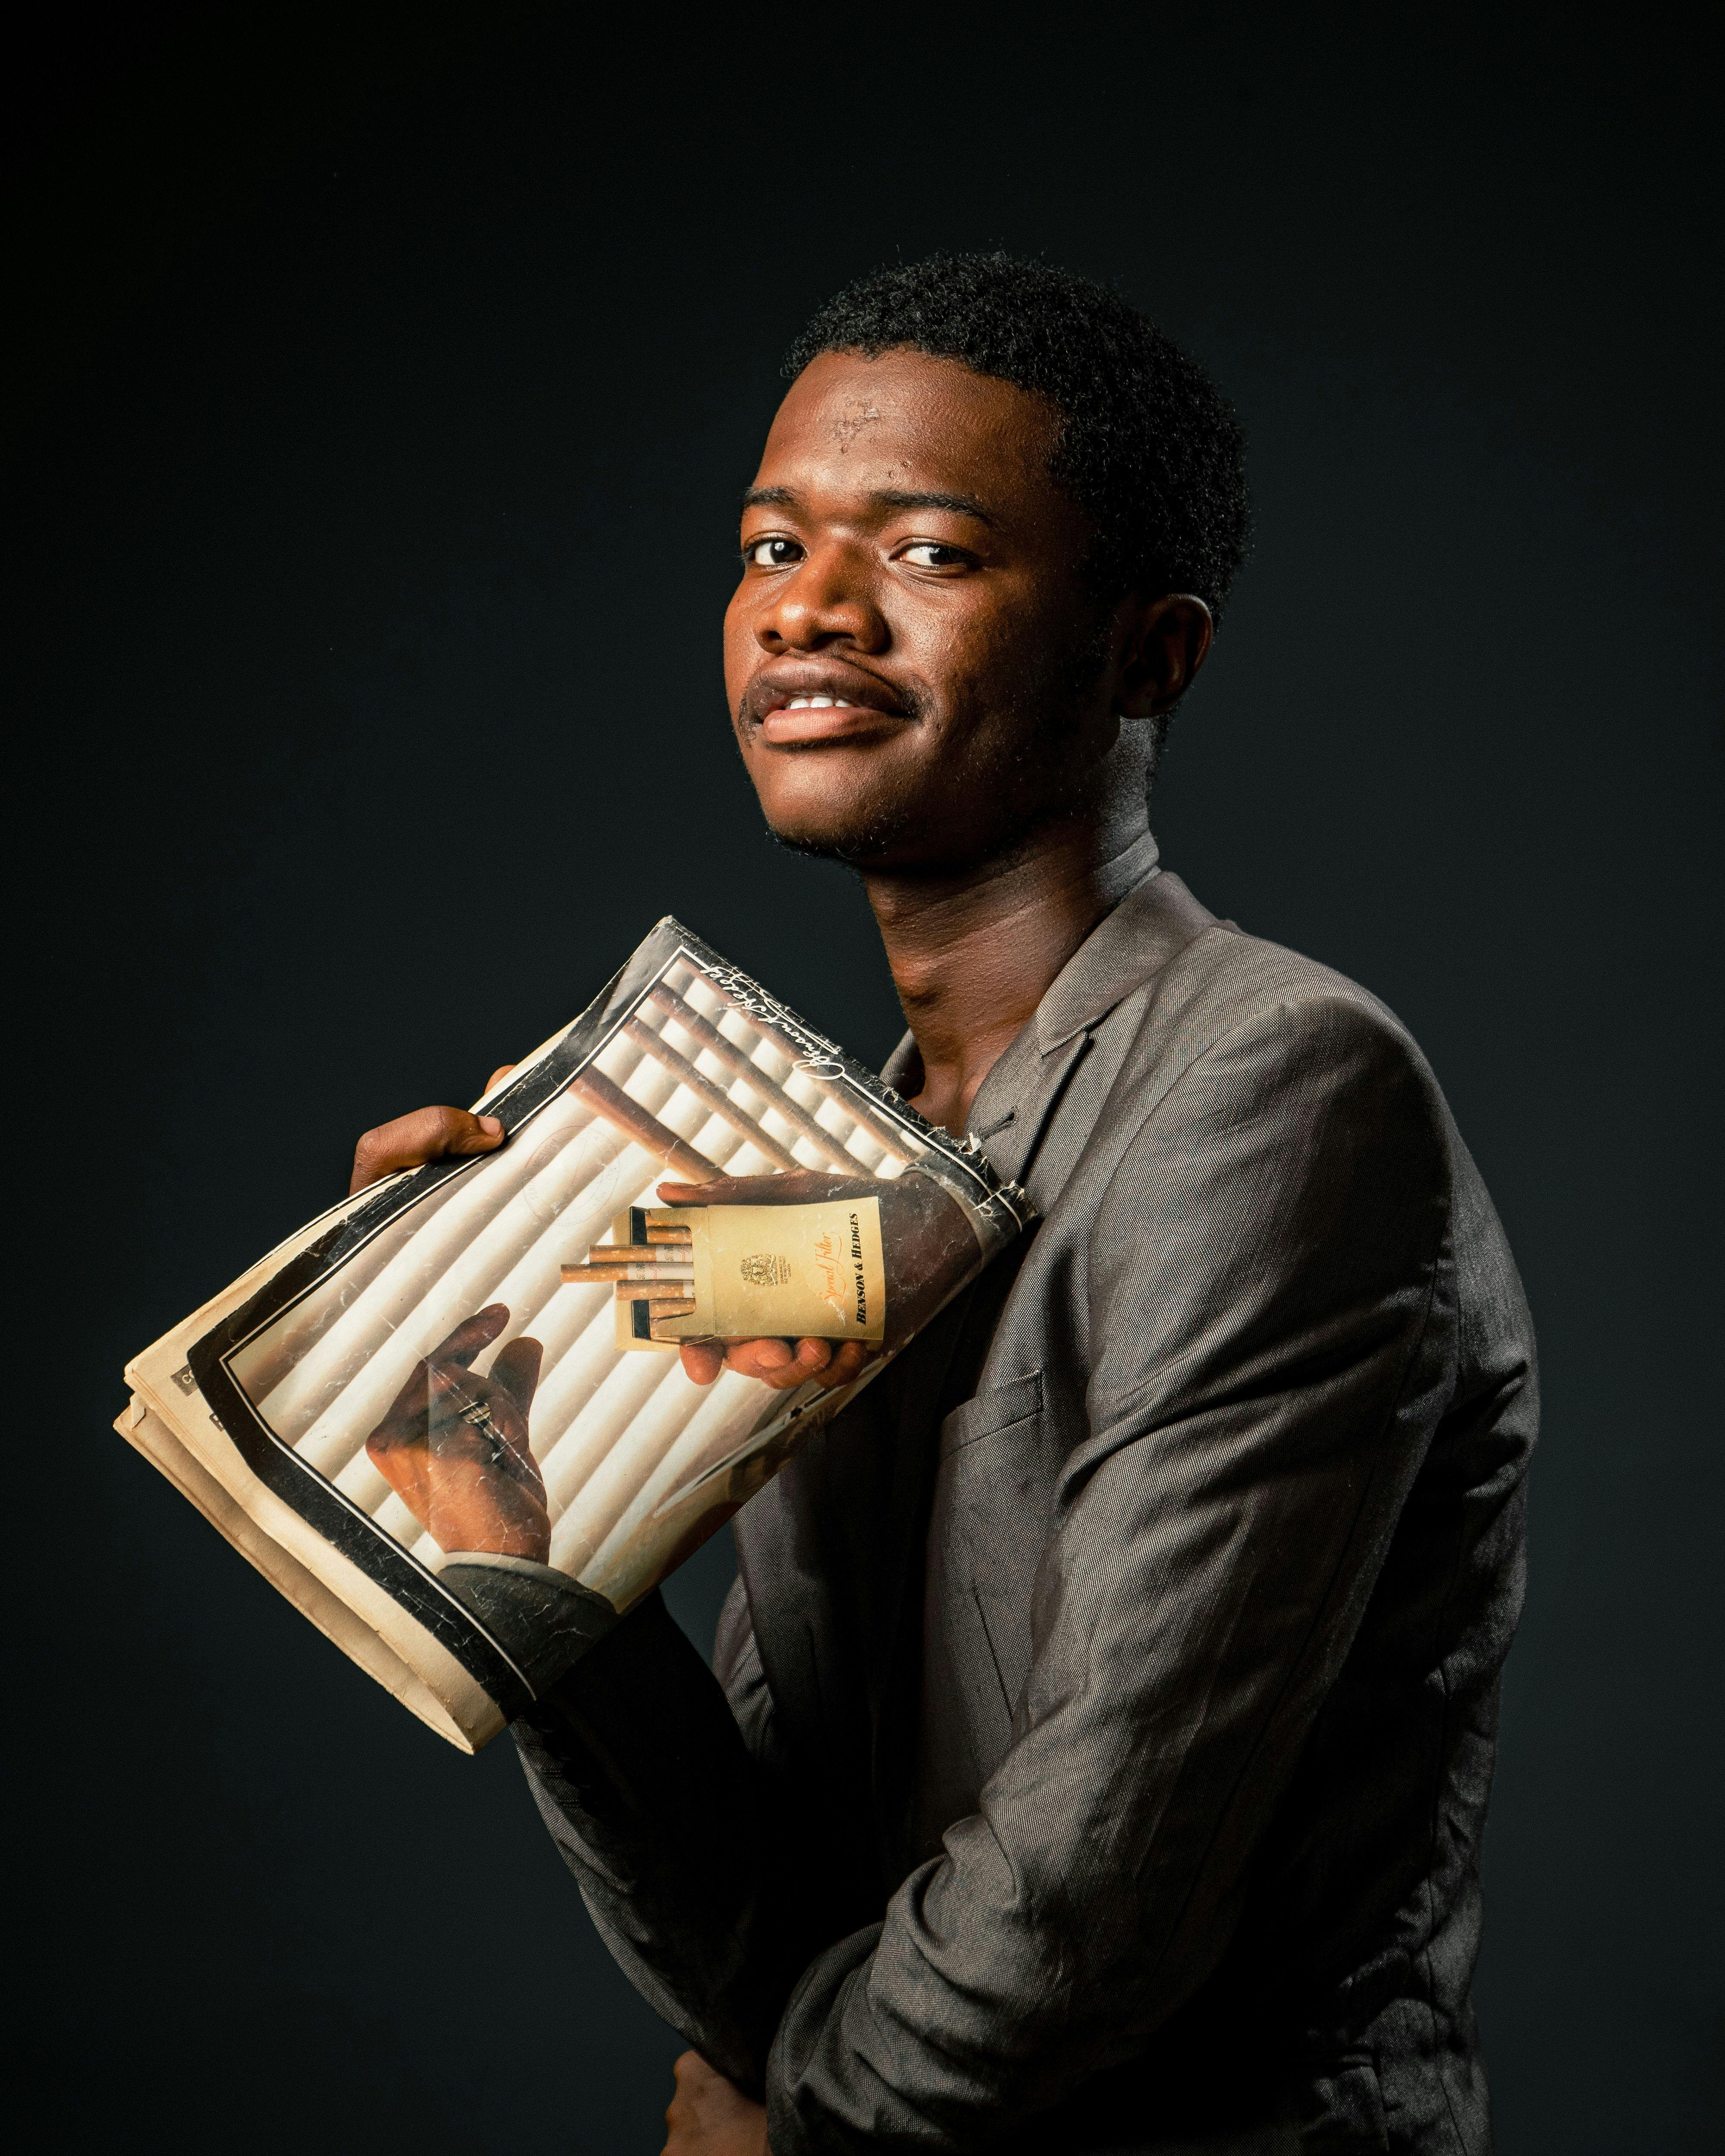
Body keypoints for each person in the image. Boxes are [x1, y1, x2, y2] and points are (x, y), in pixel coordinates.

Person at [349, 255, 1536, 2155]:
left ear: (1151, 653)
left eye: (927, 552)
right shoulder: (829, 1185)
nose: (808, 608)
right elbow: (763, 1908)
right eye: (765, 546)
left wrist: (794, 2118)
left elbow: (1099, 1886)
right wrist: (501, 1518)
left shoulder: (1282, 1087)